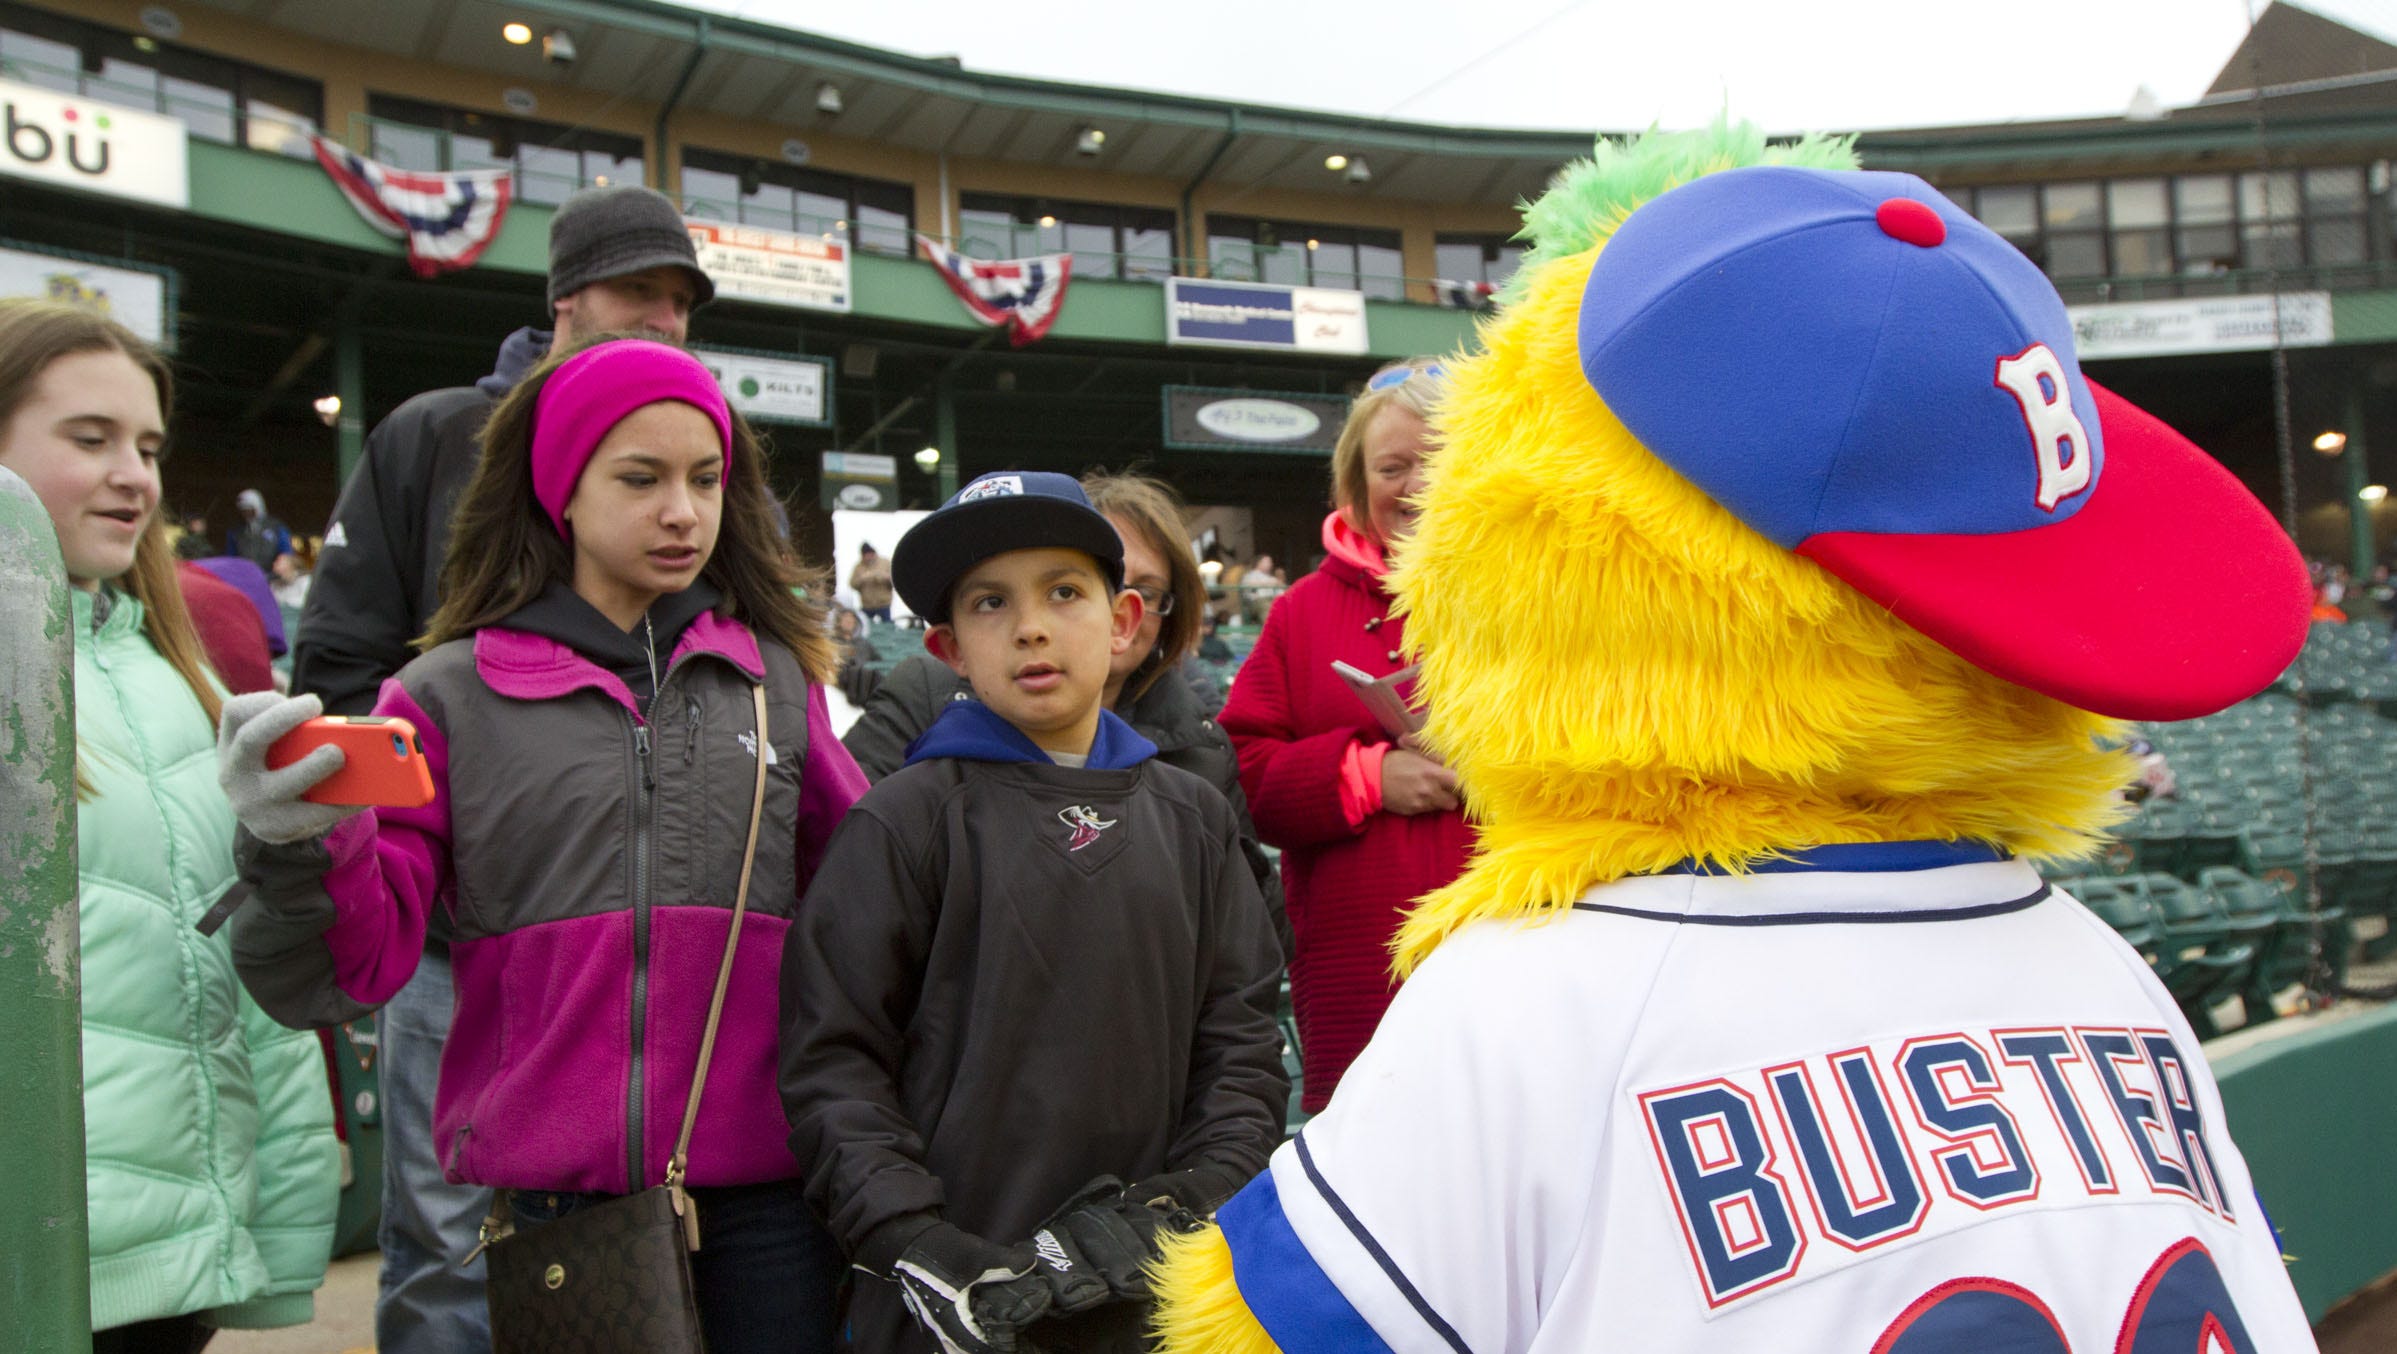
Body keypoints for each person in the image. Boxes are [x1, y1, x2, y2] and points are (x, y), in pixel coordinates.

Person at [218, 337, 864, 1354]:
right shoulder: (443, 695)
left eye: (706, 479)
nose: (683, 511)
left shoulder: (773, 680)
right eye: (641, 478)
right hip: (561, 1213)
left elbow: (868, 898)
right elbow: (358, 962)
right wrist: (303, 840)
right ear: (562, 489)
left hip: (772, 1204)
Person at [285, 182, 713, 1354]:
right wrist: (431, 830)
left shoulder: (690, 446)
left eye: (682, 300)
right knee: (442, 1240)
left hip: (633, 924)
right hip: (455, 932)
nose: (667, 320)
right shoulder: (434, 433)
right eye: (641, 292)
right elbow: (336, 667)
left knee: (645, 1242)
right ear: (567, 297)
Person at [781, 470, 1288, 1354]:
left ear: (1124, 621)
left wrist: (1197, 1194)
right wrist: (915, 1239)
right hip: (960, 1307)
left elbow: (1240, 1041)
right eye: (988, 602)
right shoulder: (900, 821)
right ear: (945, 647)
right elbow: (834, 1062)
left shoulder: (1195, 817)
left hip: (1159, 1292)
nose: (1030, 626)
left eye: (1064, 591)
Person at [0, 300, 339, 1353]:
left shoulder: (177, 676)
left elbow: (240, 978)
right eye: (89, 439)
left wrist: (273, 1216)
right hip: (35, 1264)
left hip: (172, 1260)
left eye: (147, 446)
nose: (136, 477)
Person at [842, 469, 1290, 959]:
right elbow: (850, 877)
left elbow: (1248, 951)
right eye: (1077, 585)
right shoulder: (925, 698)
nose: (1034, 626)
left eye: (1149, 592)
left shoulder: (1199, 756)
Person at [1217, 357, 1476, 1113]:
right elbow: (1243, 771)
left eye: (1438, 460)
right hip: (1360, 967)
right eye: (1391, 467)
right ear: (1355, 485)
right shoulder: (1300, 610)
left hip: (1525, 944)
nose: (1415, 484)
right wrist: (1364, 777)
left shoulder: (1542, 596)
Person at [224, 486, 293, 571]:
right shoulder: (236, 532)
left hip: (271, 577)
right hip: (245, 576)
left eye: (249, 510)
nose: (246, 514)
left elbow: (286, 554)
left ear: (258, 507)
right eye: (243, 511)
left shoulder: (276, 528)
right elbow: (231, 558)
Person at [850, 540, 894, 623]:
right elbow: (852, 584)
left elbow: (895, 582)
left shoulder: (885, 563)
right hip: (867, 606)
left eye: (870, 554)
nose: (868, 557)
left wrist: (885, 577)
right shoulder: (858, 567)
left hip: (884, 604)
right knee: (865, 627)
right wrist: (862, 579)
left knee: (888, 627)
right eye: (865, 555)